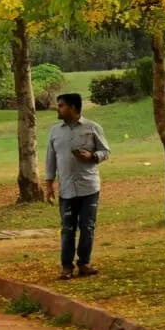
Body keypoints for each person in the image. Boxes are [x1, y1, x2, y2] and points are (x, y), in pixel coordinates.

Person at [45, 92, 110, 279]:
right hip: (66, 189)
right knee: (67, 229)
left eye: (61, 105)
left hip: (89, 187)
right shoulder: (55, 131)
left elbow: (105, 151)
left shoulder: (92, 128)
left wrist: (92, 156)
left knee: (87, 226)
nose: (58, 109)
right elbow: (50, 159)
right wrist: (49, 184)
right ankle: (66, 267)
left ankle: (84, 263)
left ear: (73, 108)